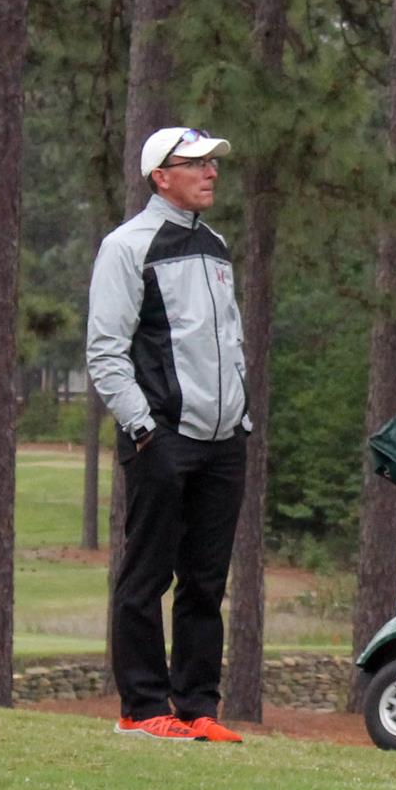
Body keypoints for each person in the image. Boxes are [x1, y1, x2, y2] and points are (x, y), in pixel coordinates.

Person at [85, 126, 253, 744]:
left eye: (213, 162)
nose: (211, 172)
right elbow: (105, 351)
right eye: (197, 164)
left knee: (207, 580)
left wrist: (241, 417)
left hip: (223, 438)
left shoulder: (215, 245)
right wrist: (143, 426)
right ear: (161, 176)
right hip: (162, 435)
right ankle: (142, 707)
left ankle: (196, 706)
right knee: (146, 576)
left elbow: (228, 341)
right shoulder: (127, 246)